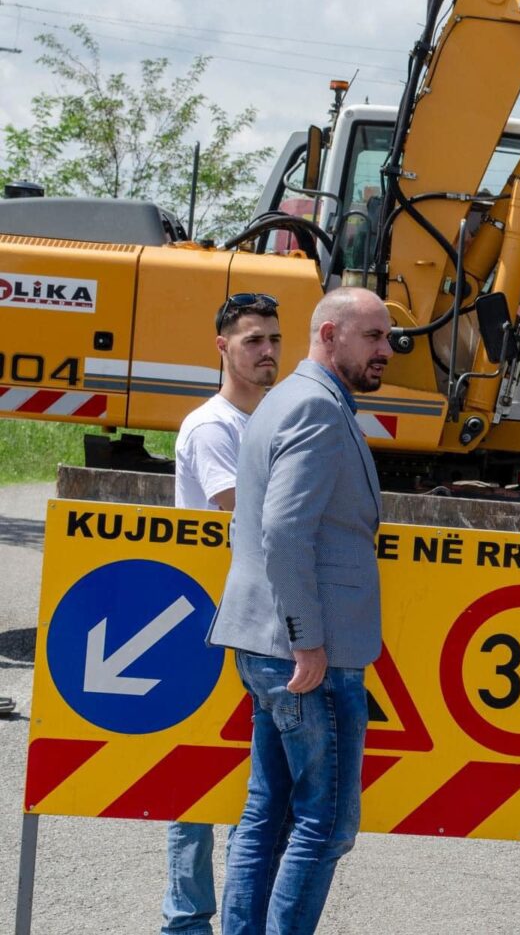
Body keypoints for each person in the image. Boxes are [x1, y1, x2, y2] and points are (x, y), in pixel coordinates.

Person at [208, 287, 393, 935]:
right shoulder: (315, 406)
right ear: (329, 333)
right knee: (325, 822)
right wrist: (307, 640)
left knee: (269, 811)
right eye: (372, 336)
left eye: (388, 337)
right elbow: (284, 531)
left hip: (271, 643)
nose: (386, 351)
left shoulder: (289, 397)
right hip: (309, 654)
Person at [161, 293, 281, 935]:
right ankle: (185, 922)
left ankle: (240, 916)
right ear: (223, 347)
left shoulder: (265, 422)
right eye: (252, 340)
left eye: (273, 340)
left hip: (250, 617)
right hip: (209, 619)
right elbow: (247, 516)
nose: (266, 352)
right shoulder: (214, 428)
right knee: (197, 783)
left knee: (250, 780)